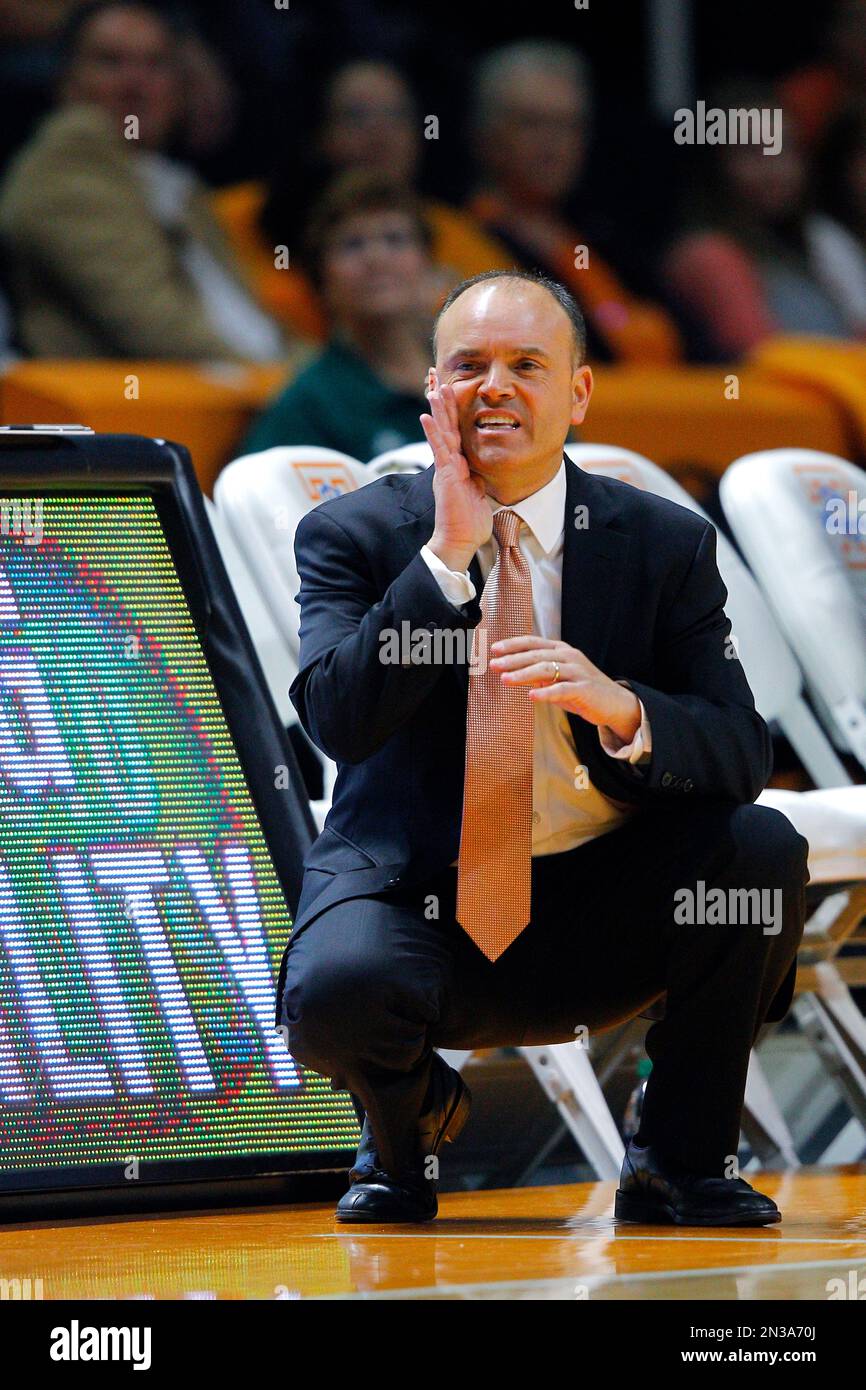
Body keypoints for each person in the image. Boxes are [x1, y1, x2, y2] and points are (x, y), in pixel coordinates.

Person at [275, 268, 808, 1226]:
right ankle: (408, 1138)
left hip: (604, 898)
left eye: (528, 364)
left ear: (580, 390)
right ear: (432, 392)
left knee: (760, 852)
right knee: (332, 995)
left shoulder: (661, 542)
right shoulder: (354, 533)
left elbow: (739, 749)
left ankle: (678, 1161)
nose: (496, 387)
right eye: (468, 366)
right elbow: (337, 723)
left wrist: (623, 709)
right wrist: (442, 560)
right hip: (423, 901)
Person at [0, 0, 293, 361]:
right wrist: (300, 384)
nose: (135, 83)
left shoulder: (172, 181)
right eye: (110, 61)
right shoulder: (64, 170)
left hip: (241, 392)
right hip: (134, 408)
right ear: (67, 81)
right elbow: (163, 332)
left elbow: (249, 322)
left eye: (155, 64)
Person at [213, 57, 515, 344]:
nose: (380, 133)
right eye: (356, 116)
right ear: (318, 133)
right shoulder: (236, 215)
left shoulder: (451, 229)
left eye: (396, 115)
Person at [467, 41, 683, 364]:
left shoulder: (608, 238)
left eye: (568, 125)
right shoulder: (459, 236)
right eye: (532, 123)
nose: (553, 144)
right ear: (486, 134)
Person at [238, 171, 435, 462]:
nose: (376, 259)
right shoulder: (309, 402)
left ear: (428, 263)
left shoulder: (470, 373)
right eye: (352, 245)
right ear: (321, 281)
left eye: (395, 239)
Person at [663, 84, 866, 359]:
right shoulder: (708, 254)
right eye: (751, 151)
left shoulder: (812, 244)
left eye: (786, 148)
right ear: (715, 161)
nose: (776, 167)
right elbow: (764, 355)